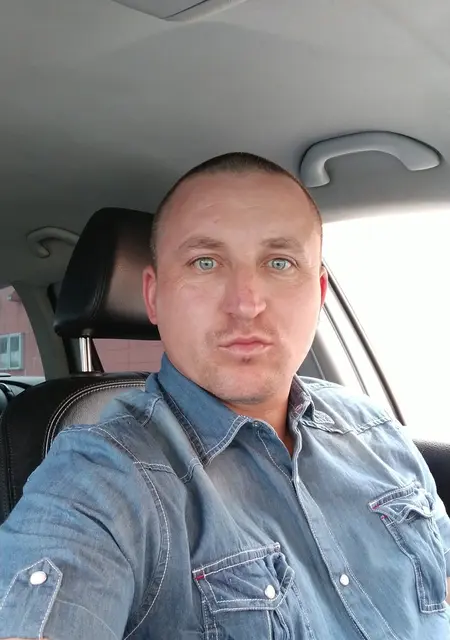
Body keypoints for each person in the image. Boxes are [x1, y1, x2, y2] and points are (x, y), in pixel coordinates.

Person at [0, 152, 449, 640]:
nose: (246, 304)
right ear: (153, 296)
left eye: (279, 262)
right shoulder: (102, 477)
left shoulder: (375, 430)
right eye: (205, 262)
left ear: (319, 293)